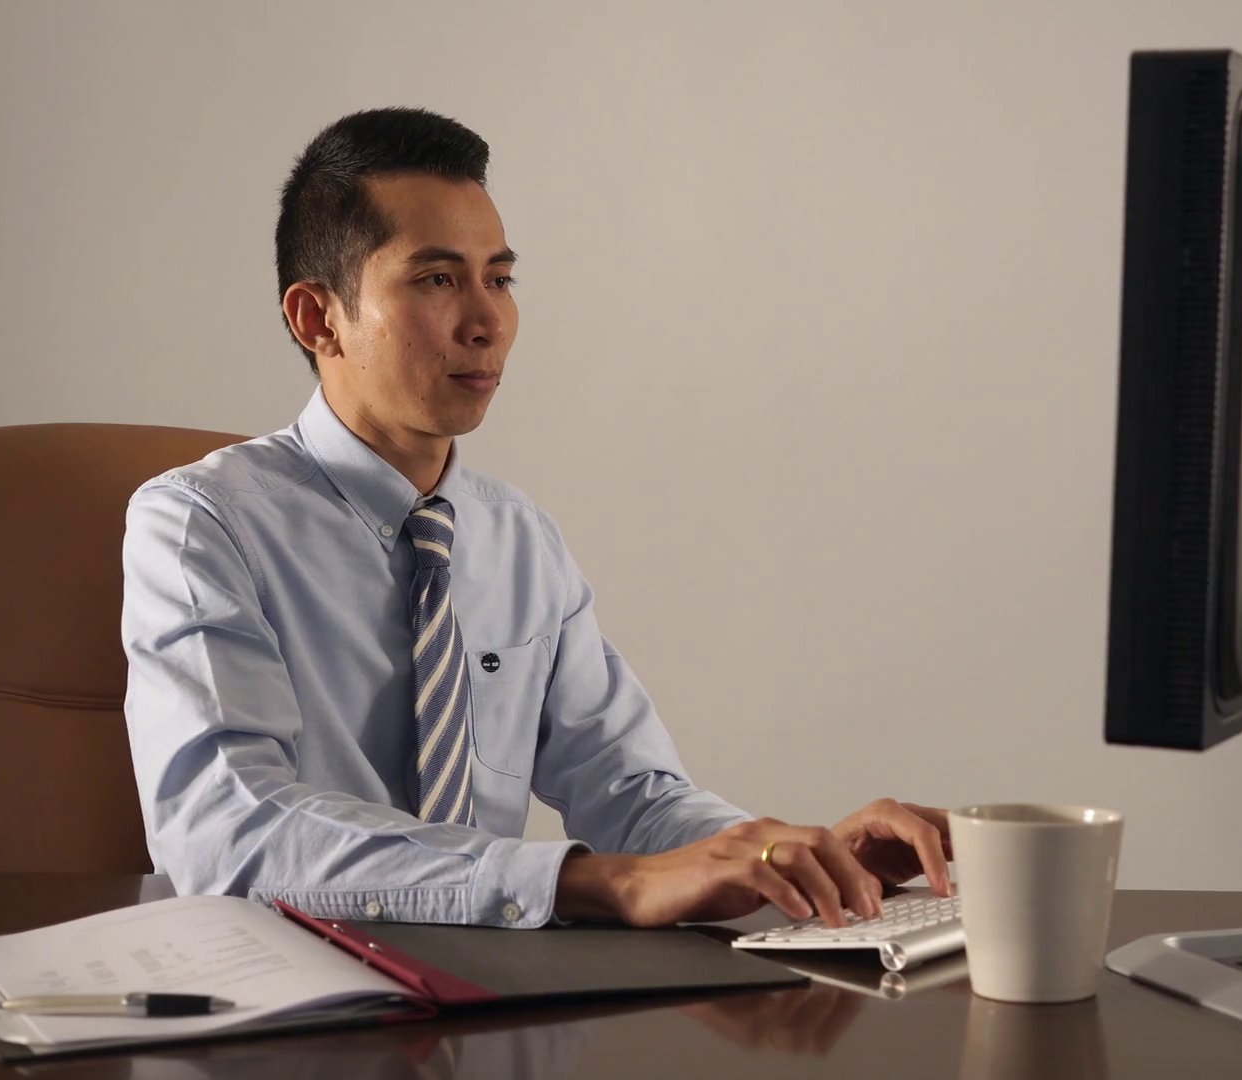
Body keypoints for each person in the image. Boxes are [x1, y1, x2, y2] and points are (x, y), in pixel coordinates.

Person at [121, 107, 950, 931]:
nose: (487, 324)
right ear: (318, 318)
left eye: (500, 279)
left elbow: (632, 795)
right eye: (437, 280)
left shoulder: (517, 540)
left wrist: (784, 859)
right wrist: (590, 883)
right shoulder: (199, 525)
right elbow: (230, 832)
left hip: (499, 988)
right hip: (291, 989)